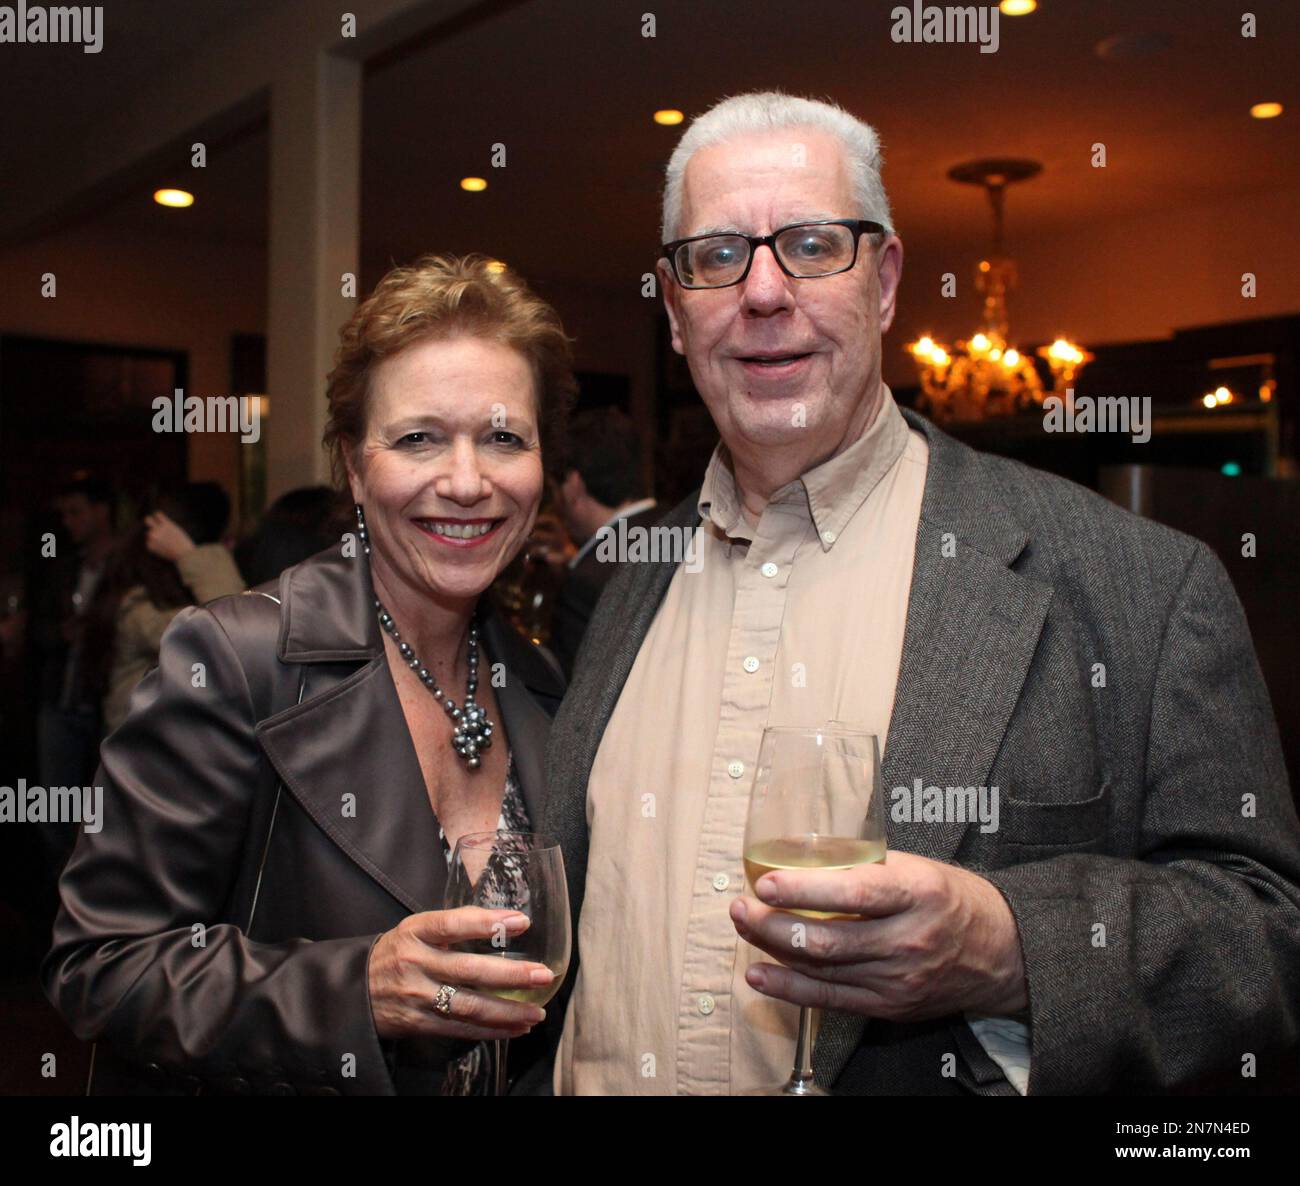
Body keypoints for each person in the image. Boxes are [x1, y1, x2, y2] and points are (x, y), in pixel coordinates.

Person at [541, 92, 1300, 1095]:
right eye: (717, 256)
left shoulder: (1137, 586)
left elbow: (1266, 940)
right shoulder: (610, 582)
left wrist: (1012, 946)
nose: (763, 293)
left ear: (886, 281)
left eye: (813, 244)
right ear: (675, 311)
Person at [43, 253, 575, 1096]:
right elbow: (102, 964)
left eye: (504, 436)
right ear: (356, 468)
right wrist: (350, 990)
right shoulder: (238, 656)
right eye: (419, 438)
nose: (467, 481)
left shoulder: (546, 683)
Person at [84, 483, 245, 735]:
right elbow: (232, 628)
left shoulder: (164, 594)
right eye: (224, 540)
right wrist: (189, 554)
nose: (231, 546)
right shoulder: (138, 607)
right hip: (145, 758)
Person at [549, 407, 660, 675]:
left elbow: (573, 699)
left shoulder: (586, 581)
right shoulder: (688, 527)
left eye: (554, 491)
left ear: (573, 485)